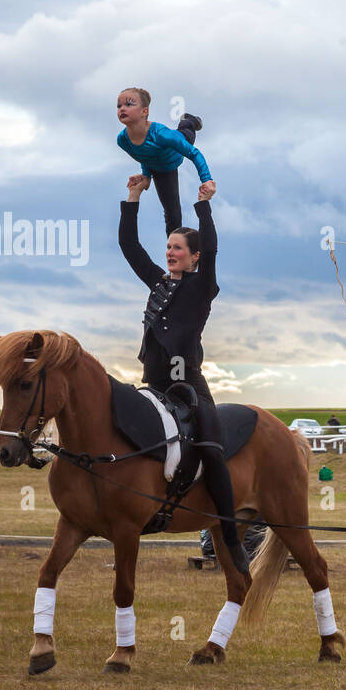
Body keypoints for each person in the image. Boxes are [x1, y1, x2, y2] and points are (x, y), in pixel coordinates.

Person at [119, 177, 250, 576]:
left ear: (193, 257)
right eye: (169, 247)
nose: (170, 252)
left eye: (178, 248)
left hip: (189, 390)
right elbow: (130, 246)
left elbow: (211, 247)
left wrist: (203, 207)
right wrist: (134, 197)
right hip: (154, 388)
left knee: (211, 449)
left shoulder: (202, 287)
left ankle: (228, 538)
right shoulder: (158, 283)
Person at [116, 87, 215, 236]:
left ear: (145, 111)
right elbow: (144, 155)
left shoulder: (161, 135)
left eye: (129, 104)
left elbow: (194, 153)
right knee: (173, 214)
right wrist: (146, 176)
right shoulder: (122, 140)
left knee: (185, 131)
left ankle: (188, 120)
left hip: (177, 148)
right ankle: (173, 249)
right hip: (161, 170)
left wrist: (206, 179)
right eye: (119, 106)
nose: (122, 108)